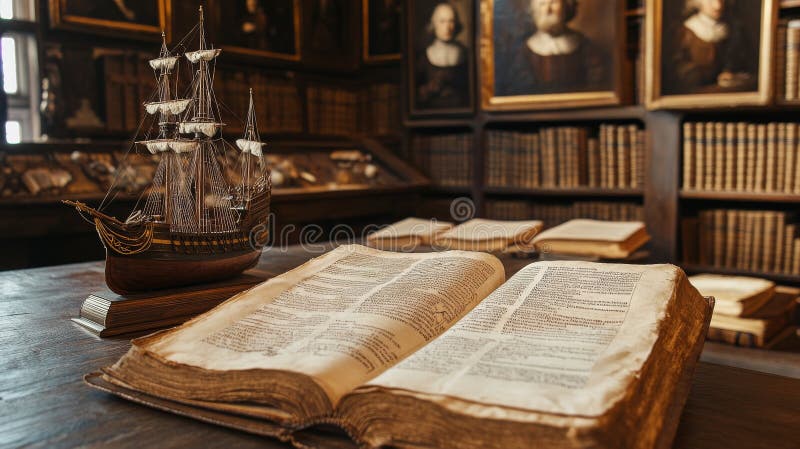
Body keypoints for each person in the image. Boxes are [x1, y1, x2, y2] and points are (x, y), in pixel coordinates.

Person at [497, 0, 607, 96]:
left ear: (566, 6)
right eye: (542, 4)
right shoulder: (521, 52)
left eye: (553, 2)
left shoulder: (586, 47)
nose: (547, 10)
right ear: (533, 10)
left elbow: (597, 87)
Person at [669, 0, 754, 93]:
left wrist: (729, 72)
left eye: (721, 1)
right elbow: (678, 70)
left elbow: (741, 62)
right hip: (695, 93)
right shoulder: (685, 31)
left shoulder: (732, 30)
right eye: (710, 1)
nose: (718, 6)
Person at [415, 2, 469, 109]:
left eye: (451, 21)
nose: (447, 27)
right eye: (442, 22)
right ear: (434, 24)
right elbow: (417, 94)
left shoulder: (465, 53)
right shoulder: (424, 56)